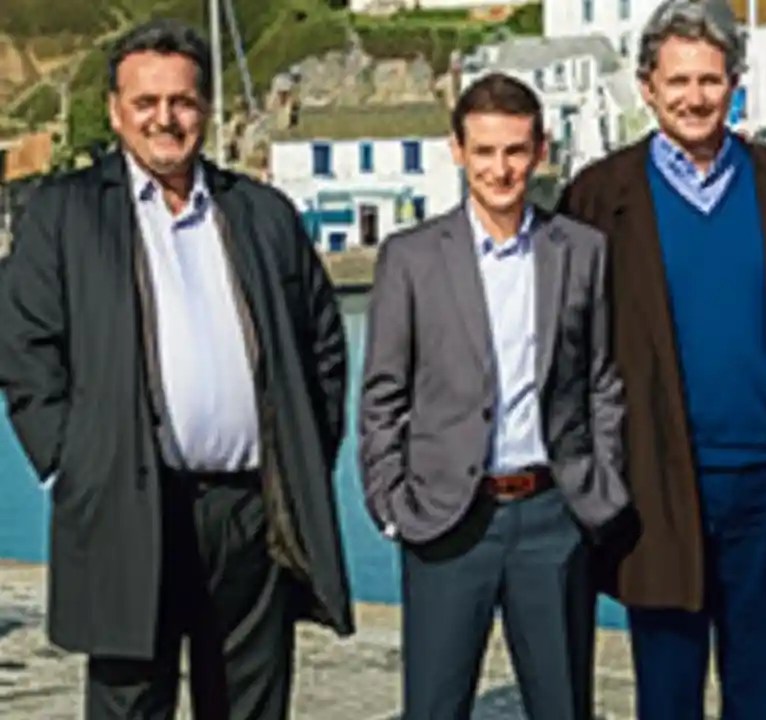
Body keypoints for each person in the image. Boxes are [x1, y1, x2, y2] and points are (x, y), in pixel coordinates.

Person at [0, 18, 354, 719]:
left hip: (251, 512)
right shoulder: (65, 213)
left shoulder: (261, 213)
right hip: (128, 503)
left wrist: (304, 450)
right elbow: (23, 346)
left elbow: (323, 345)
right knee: (131, 701)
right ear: (115, 111)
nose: (166, 119)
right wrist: (74, 460)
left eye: (183, 101)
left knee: (252, 702)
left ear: (205, 108)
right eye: (146, 102)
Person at [556, 1, 766, 717]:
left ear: (736, 83)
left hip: (765, 481)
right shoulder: (600, 194)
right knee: (667, 690)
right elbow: (565, 341)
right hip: (656, 482)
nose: (695, 97)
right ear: (648, 86)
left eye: (711, 81)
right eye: (678, 81)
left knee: (759, 691)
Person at [358, 72, 629, 720]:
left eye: (513, 150)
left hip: (551, 517)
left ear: (538, 151)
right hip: (447, 522)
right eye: (484, 151)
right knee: (435, 706)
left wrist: (601, 488)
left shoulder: (582, 252)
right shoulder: (411, 259)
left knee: (563, 707)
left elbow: (602, 380)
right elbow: (383, 398)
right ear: (457, 151)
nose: (500, 169)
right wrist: (392, 506)